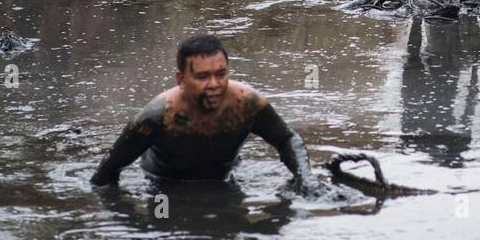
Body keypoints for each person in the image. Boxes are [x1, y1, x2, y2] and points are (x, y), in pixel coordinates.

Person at [89, 34, 320, 194]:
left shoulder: (246, 103)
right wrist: (124, 220)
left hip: (225, 182)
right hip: (164, 190)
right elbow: (106, 174)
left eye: (221, 74)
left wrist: (306, 181)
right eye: (202, 77)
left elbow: (287, 139)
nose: (214, 84)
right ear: (181, 80)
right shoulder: (158, 116)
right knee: (162, 230)